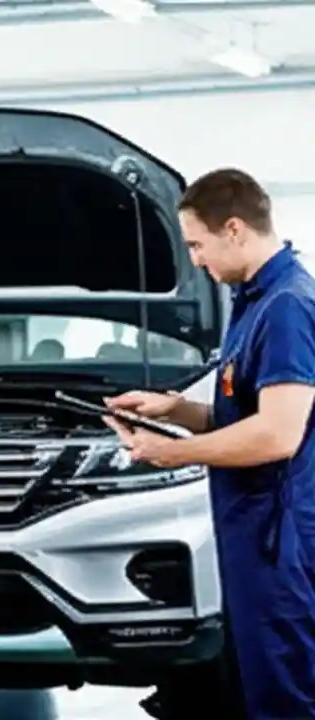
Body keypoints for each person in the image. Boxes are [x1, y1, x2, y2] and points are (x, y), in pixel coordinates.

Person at [103, 168, 315, 719]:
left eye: (197, 243)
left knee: (288, 694)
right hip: (251, 536)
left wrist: (168, 452)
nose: (194, 259)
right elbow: (241, 412)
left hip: (281, 542)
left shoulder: (288, 306)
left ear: (236, 230)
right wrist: (175, 410)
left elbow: (277, 433)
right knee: (261, 687)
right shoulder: (250, 303)